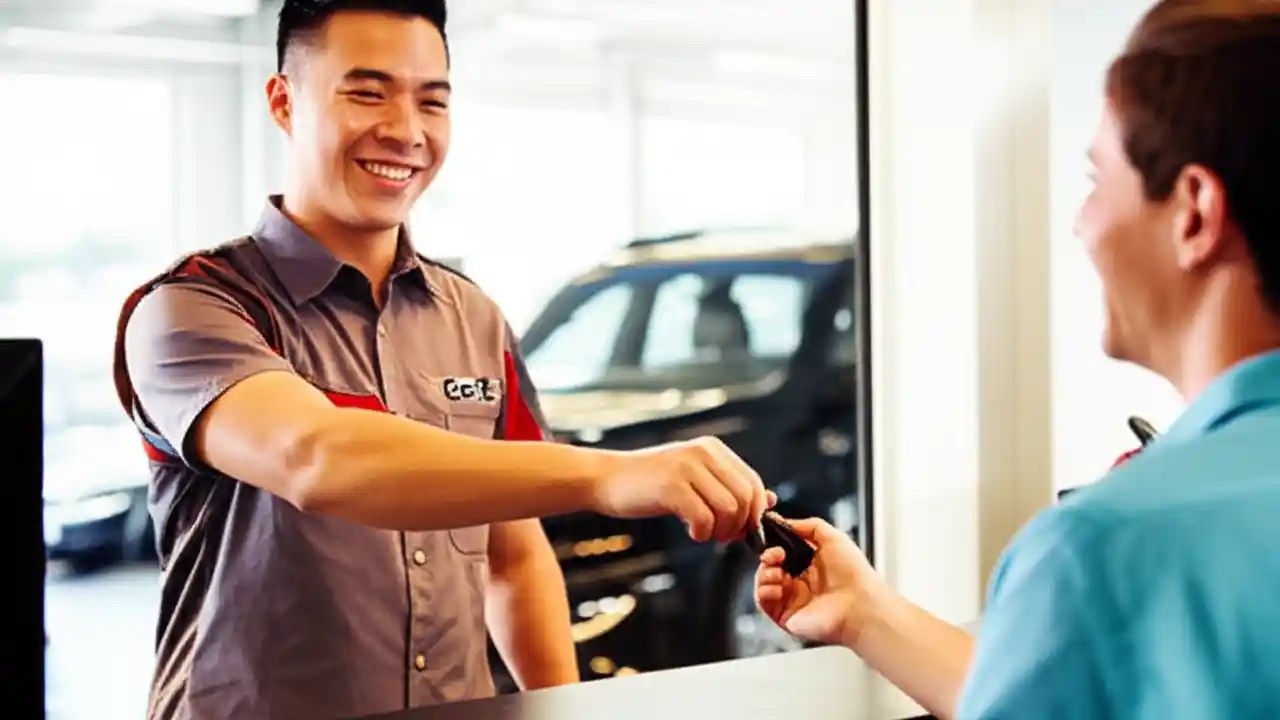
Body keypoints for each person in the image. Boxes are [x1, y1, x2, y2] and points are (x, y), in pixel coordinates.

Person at [113, 1, 771, 718]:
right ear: (284, 100)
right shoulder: (194, 309)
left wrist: (563, 709)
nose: (405, 130)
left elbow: (514, 560)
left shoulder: (474, 318)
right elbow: (320, 457)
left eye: (432, 100)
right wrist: (611, 475)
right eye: (367, 92)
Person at [755, 1, 1280, 718]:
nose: (1080, 223)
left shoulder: (1110, 551)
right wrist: (867, 613)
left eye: (1098, 182)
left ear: (1193, 211)